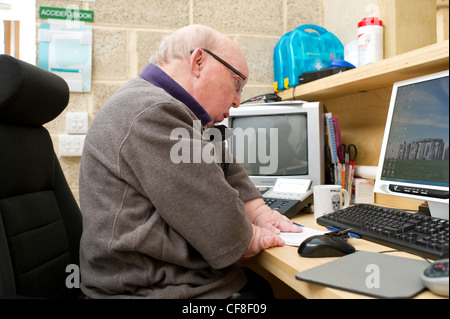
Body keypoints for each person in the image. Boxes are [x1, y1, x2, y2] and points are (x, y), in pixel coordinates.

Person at [78, 24, 302, 299]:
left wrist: (261, 215)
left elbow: (223, 163)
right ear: (198, 62)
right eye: (237, 83)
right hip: (146, 290)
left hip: (157, 279)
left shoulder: (166, 107)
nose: (237, 102)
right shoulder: (154, 111)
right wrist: (254, 236)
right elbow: (224, 232)